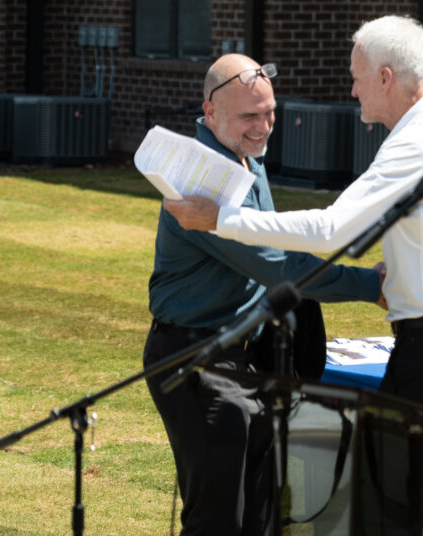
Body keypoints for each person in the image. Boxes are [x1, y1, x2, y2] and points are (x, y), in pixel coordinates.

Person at [163, 15, 423, 536]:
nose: (350, 89)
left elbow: (331, 229)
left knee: (379, 507)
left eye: (355, 76)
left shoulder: (411, 144)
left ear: (385, 78)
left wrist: (221, 219)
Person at [143, 53, 384, 536]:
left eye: (269, 111)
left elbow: (277, 244)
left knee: (262, 516)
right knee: (217, 520)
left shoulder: (245, 157)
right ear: (210, 113)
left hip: (241, 358)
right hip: (195, 359)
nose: (264, 126)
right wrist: (370, 285)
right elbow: (280, 267)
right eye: (249, 116)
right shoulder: (200, 178)